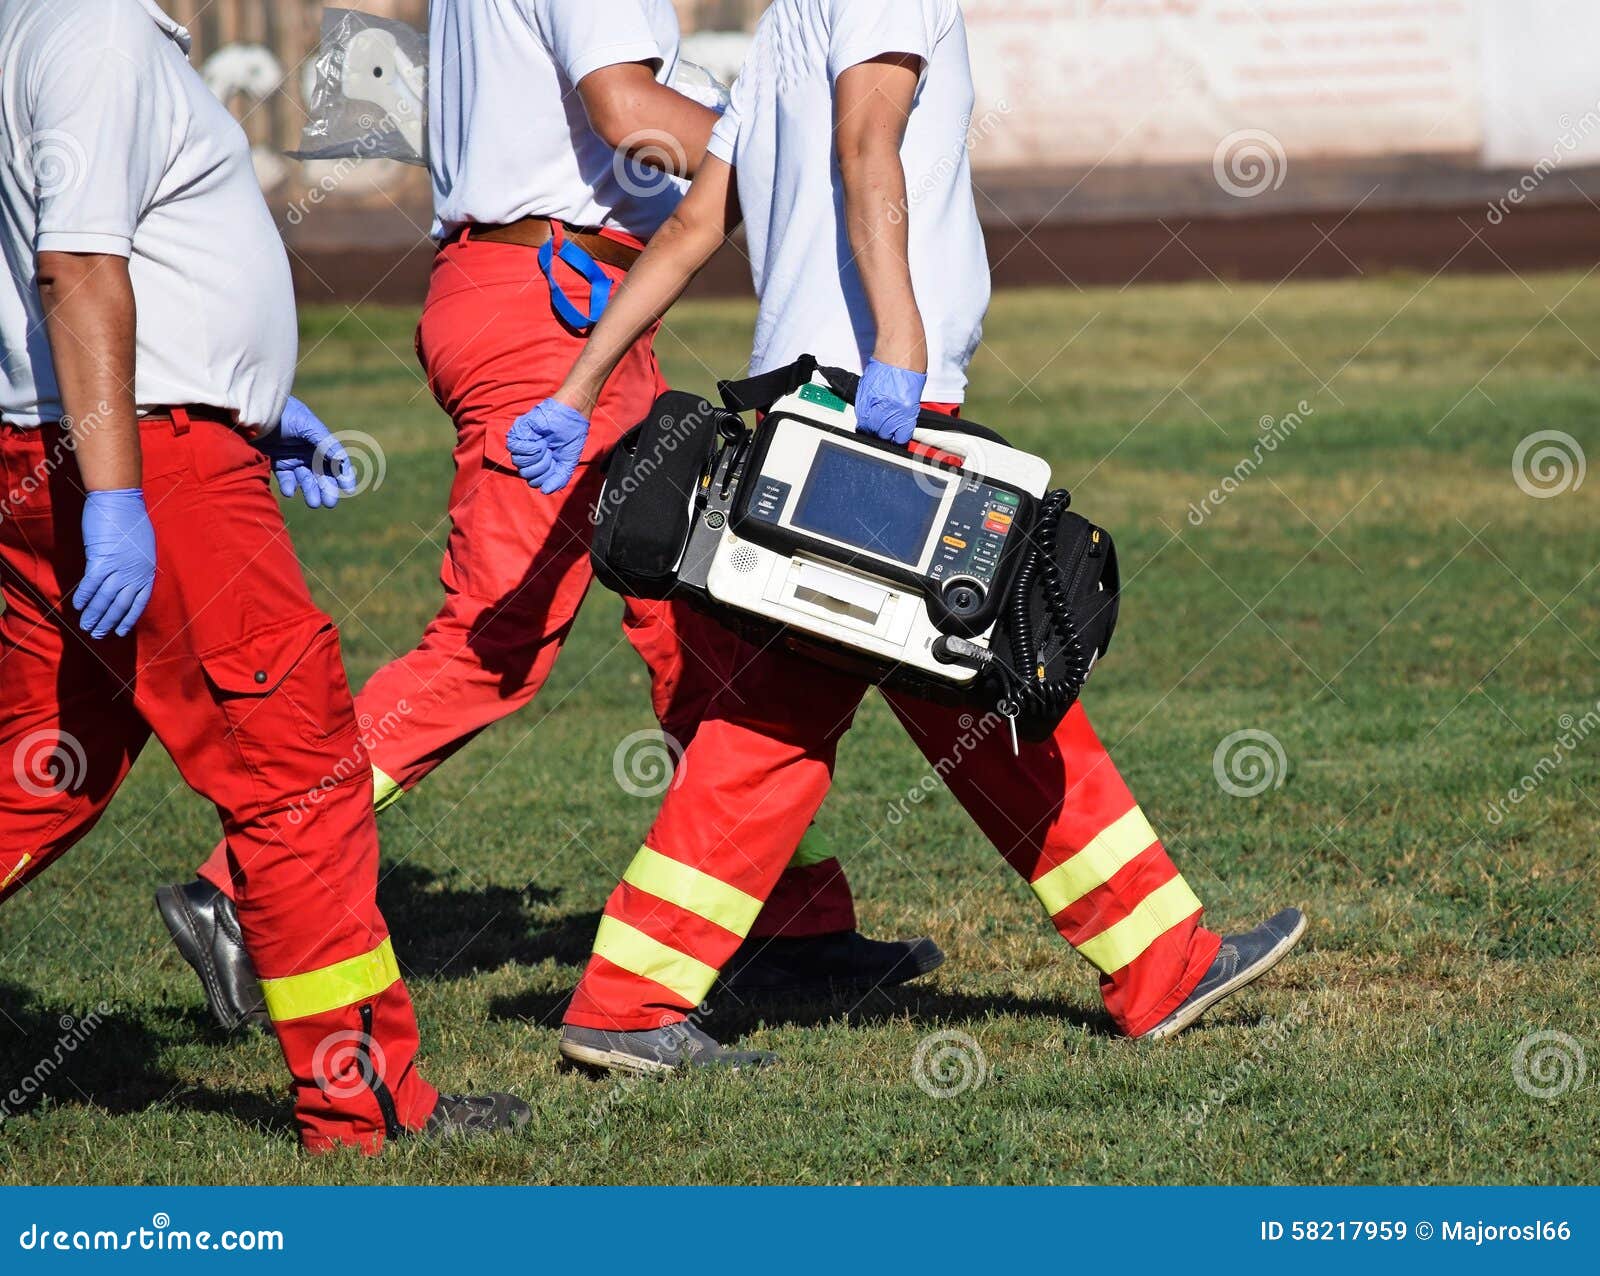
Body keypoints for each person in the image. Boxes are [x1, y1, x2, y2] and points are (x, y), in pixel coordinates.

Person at [511, 0, 1307, 1074]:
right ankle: (1158, 961)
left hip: (810, 413)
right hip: (881, 414)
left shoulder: (784, 28)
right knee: (968, 671)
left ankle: (1159, 957)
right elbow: (864, 141)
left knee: (914, 705)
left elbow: (699, 225)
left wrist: (578, 382)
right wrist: (900, 341)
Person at [156, 0, 941, 1038]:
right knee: (488, 645)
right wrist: (787, 150)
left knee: (698, 627)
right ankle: (247, 879)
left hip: (546, 289)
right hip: (550, 300)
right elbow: (626, 111)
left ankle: (787, 921)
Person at [0, 0, 527, 1151]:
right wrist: (135, 480)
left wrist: (245, 387)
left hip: (95, 437)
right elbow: (79, 265)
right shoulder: (93, 30)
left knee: (42, 771)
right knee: (299, 773)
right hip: (144, 453)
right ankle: (363, 1103)